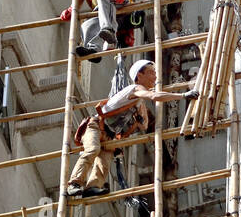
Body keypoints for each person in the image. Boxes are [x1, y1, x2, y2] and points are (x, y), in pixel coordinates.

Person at [67, 59, 197, 197]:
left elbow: (145, 125)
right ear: (139, 76)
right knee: (93, 149)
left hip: (110, 135)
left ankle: (92, 187)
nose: (155, 77)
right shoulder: (135, 89)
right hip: (96, 126)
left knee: (104, 162)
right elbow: (154, 96)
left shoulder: (138, 101)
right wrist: (182, 95)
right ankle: (74, 183)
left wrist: (140, 119)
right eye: (151, 73)